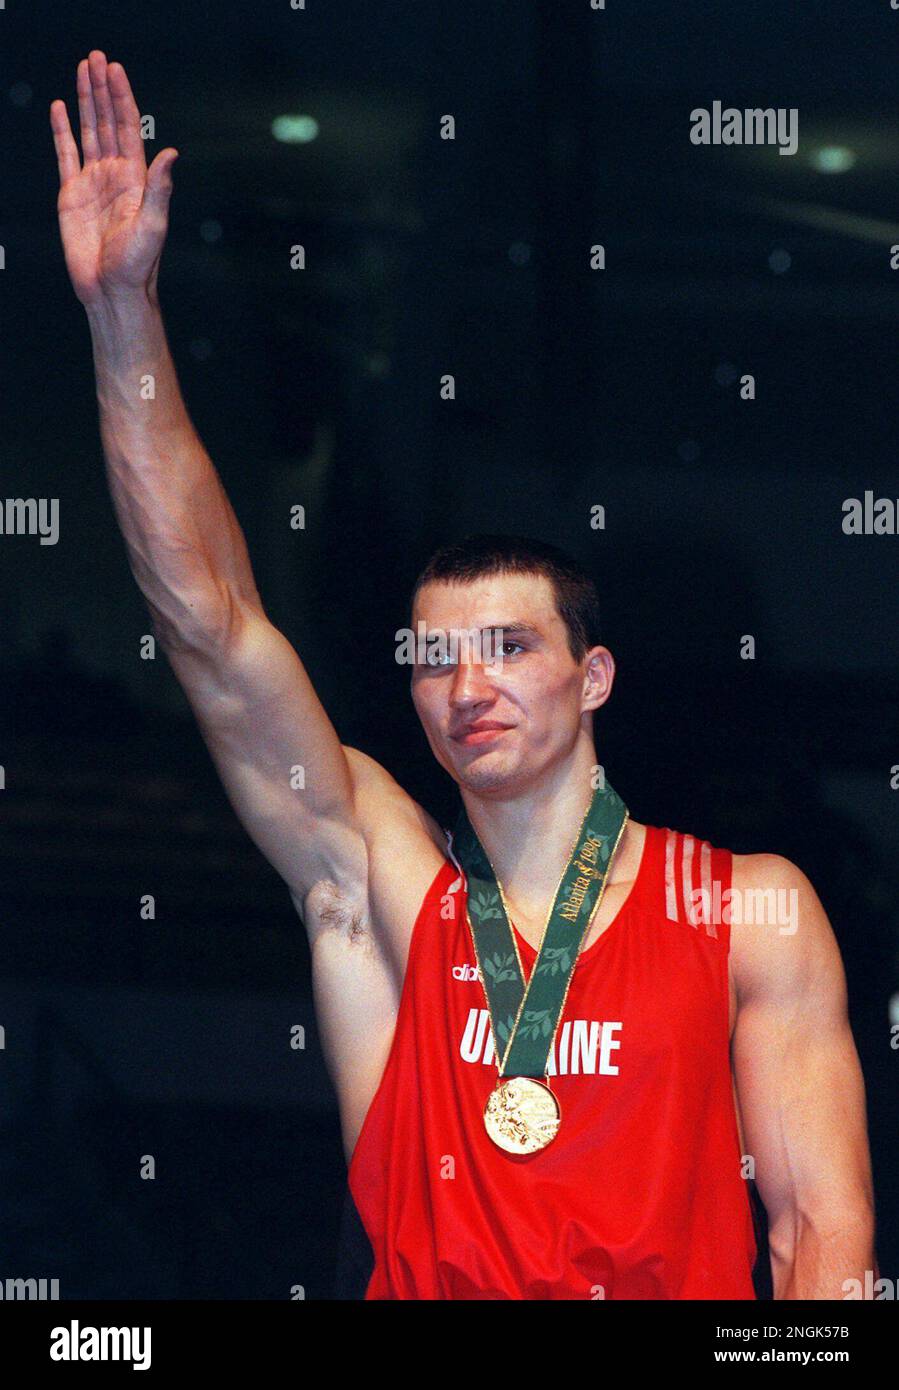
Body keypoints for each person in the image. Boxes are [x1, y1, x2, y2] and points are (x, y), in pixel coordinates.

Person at [50, 51, 877, 1300]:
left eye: (508, 646)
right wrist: (125, 317)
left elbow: (820, 1236)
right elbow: (214, 631)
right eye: (433, 657)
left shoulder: (748, 910)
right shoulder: (379, 892)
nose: (465, 684)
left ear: (593, 676)